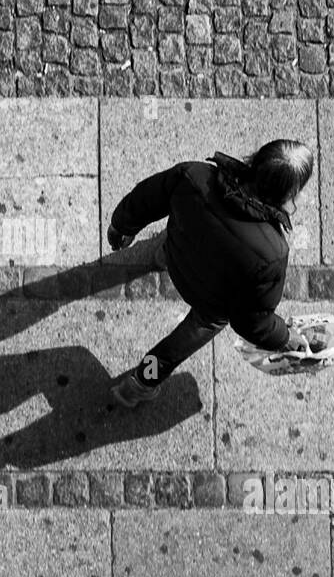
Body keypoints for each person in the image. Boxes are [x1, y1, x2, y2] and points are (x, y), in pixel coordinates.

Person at [107, 139, 315, 408]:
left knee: (173, 246)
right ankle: (140, 382)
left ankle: (159, 259)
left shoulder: (194, 176)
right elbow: (251, 321)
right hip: (210, 306)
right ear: (289, 194)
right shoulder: (272, 252)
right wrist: (284, 338)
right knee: (170, 351)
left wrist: (120, 228)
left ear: (255, 160)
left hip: (176, 255)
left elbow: (144, 199)